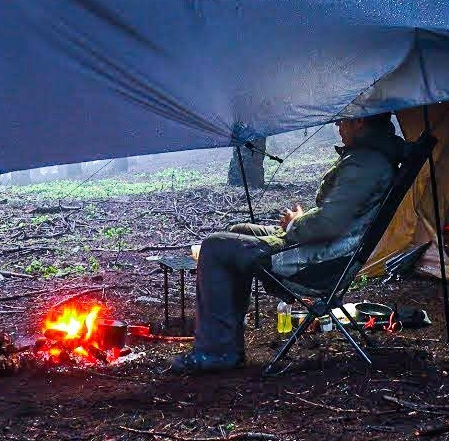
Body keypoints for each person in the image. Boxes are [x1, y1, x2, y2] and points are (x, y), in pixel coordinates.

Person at [170, 112, 408, 373]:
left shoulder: (366, 163)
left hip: (320, 261)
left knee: (216, 246)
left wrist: (296, 223)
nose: (338, 126)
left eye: (341, 121)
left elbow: (330, 224)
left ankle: (216, 353)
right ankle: (226, 341)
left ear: (359, 121)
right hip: (328, 250)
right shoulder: (371, 158)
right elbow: (342, 218)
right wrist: (301, 221)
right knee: (239, 231)